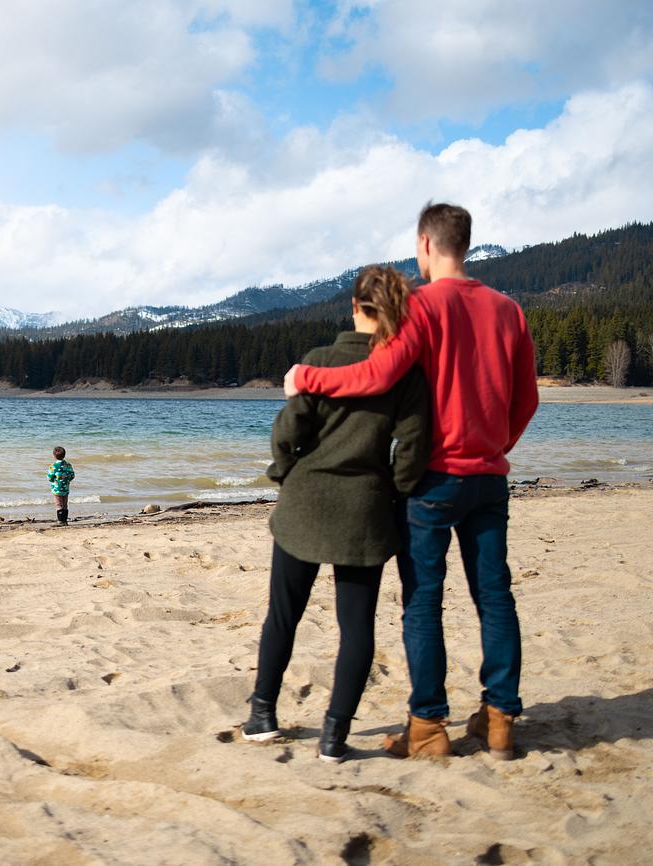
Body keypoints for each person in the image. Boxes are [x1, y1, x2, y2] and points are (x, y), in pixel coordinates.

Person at [283, 202, 539, 760]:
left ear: (425, 245)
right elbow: (527, 401)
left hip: (433, 481)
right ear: (463, 244)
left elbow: (376, 374)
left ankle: (427, 726)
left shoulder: (422, 305)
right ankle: (500, 719)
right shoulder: (508, 310)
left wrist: (305, 376)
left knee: (423, 601)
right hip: (489, 480)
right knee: (494, 596)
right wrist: (495, 447)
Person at [243, 265, 430, 762]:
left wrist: (286, 474)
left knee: (283, 615)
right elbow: (412, 448)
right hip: (365, 512)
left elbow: (287, 432)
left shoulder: (321, 361)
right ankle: (333, 736)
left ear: (353, 306)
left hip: (305, 503)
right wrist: (393, 493)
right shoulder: (407, 375)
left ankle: (262, 714)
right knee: (358, 629)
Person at [47, 446, 75, 525]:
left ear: (54, 456)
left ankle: (60, 521)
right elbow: (72, 475)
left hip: (57, 488)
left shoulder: (53, 466)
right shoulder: (68, 465)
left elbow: (49, 477)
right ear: (64, 455)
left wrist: (53, 481)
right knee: (65, 504)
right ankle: (65, 521)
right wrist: (67, 480)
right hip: (65, 488)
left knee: (58, 504)